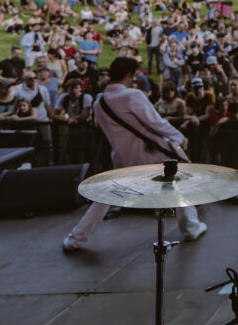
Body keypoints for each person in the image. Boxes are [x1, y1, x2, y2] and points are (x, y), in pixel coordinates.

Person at [62, 56, 206, 252]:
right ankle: (191, 228)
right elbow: (156, 122)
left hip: (122, 159)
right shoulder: (133, 95)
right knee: (179, 185)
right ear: (128, 75)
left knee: (104, 199)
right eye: (134, 76)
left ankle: (76, 238)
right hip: (151, 154)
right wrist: (179, 137)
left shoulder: (99, 103)